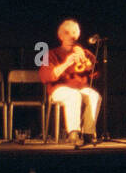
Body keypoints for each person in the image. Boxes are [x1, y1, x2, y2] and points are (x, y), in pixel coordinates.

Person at [38, 19, 100, 148]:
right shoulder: (51, 53)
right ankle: (74, 133)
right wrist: (66, 63)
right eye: (67, 33)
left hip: (80, 87)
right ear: (60, 36)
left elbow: (97, 75)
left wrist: (89, 67)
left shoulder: (86, 53)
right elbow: (44, 76)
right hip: (59, 89)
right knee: (74, 95)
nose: (71, 36)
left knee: (94, 95)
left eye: (74, 32)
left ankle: (88, 133)